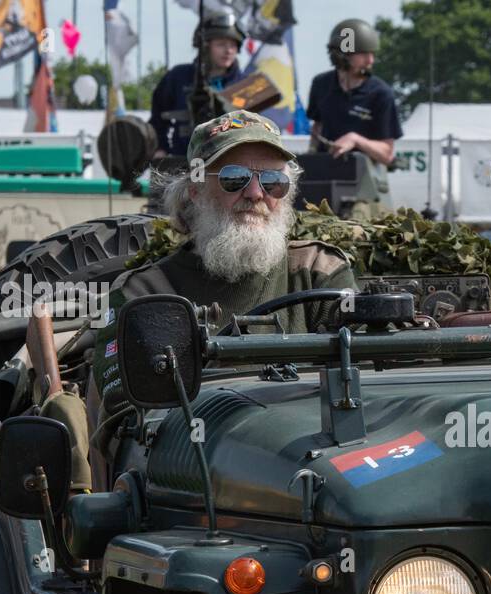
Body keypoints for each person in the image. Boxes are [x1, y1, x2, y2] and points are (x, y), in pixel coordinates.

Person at [90, 110, 357, 471]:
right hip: (199, 491)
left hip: (319, 474)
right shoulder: (145, 295)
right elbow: (125, 429)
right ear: (196, 190)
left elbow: (370, 390)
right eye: (234, 178)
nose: (255, 193)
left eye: (273, 181)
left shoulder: (318, 273)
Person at [306, 17, 402, 218]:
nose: (371, 60)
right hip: (325, 182)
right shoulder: (321, 85)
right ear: (343, 54)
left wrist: (355, 139)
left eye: (372, 53)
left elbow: (387, 153)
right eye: (364, 54)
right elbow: (317, 129)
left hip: (366, 191)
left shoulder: (381, 94)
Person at [149, 12, 246, 160]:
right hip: (182, 162)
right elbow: (158, 119)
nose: (228, 51)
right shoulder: (178, 77)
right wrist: (160, 148)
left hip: (230, 166)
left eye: (233, 45)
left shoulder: (245, 85)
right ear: (205, 46)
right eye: (221, 44)